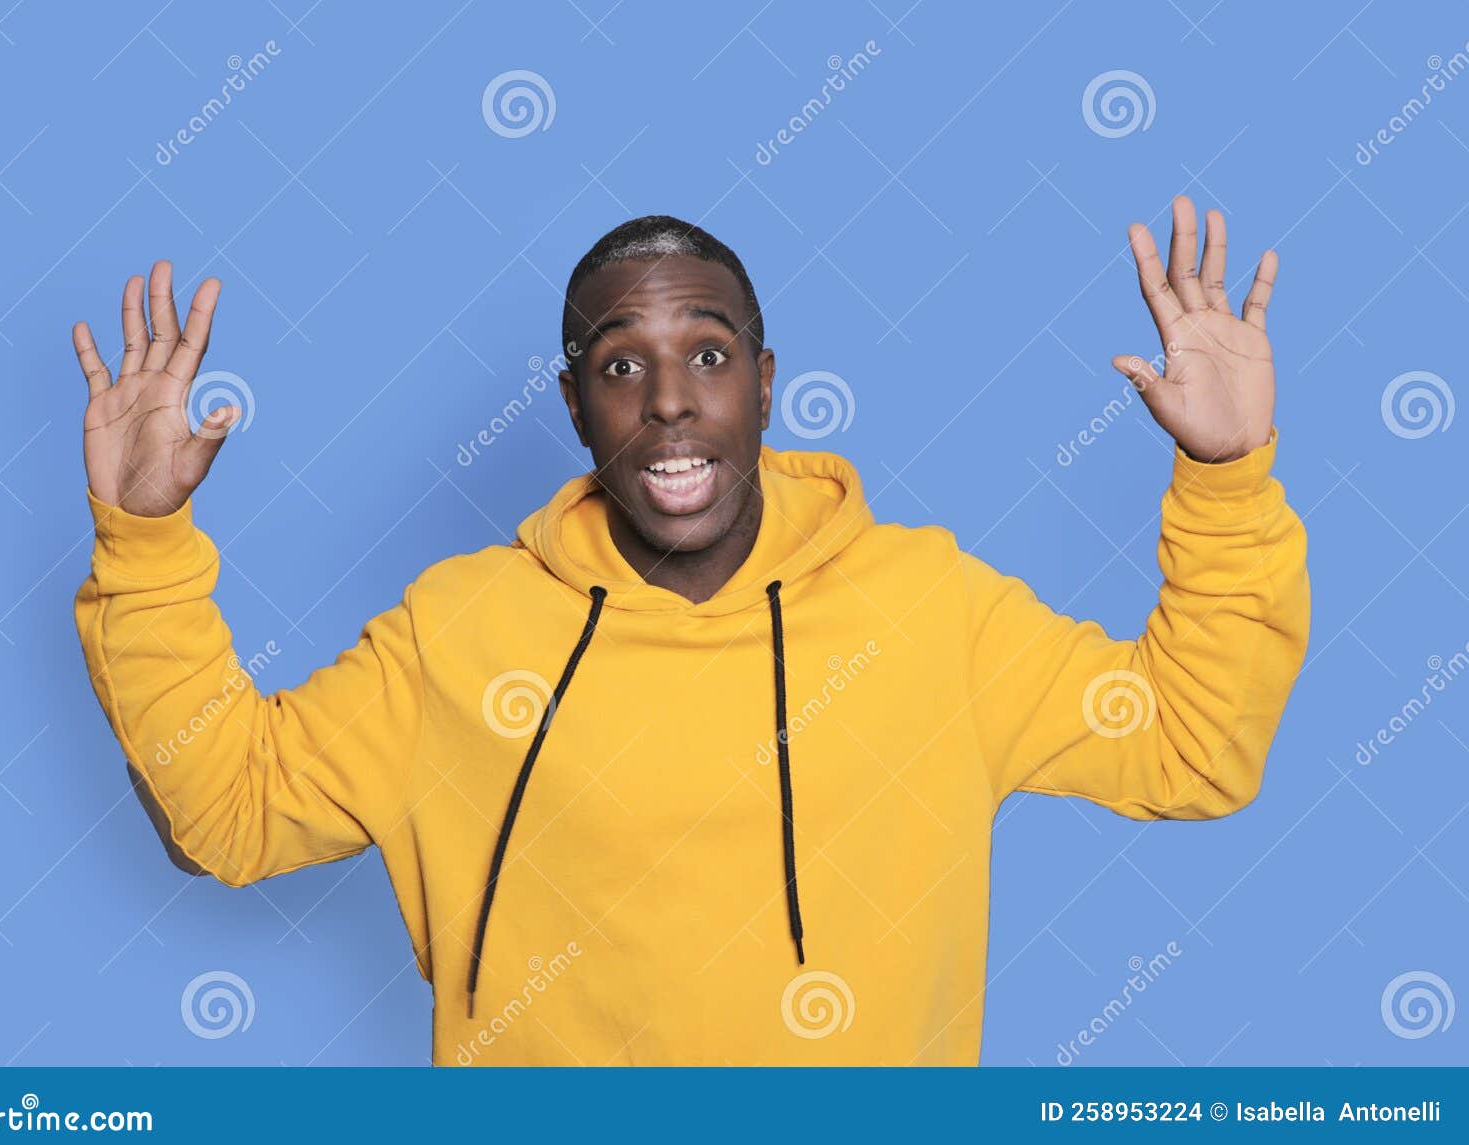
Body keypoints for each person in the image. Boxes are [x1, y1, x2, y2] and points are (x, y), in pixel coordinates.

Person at [71, 200, 1309, 1065]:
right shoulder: (462, 629)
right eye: (622, 366)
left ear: (764, 383)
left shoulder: (929, 607)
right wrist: (145, 543)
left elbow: (1190, 746)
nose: (669, 400)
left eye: (707, 355)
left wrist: (1227, 476)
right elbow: (229, 809)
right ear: (573, 405)